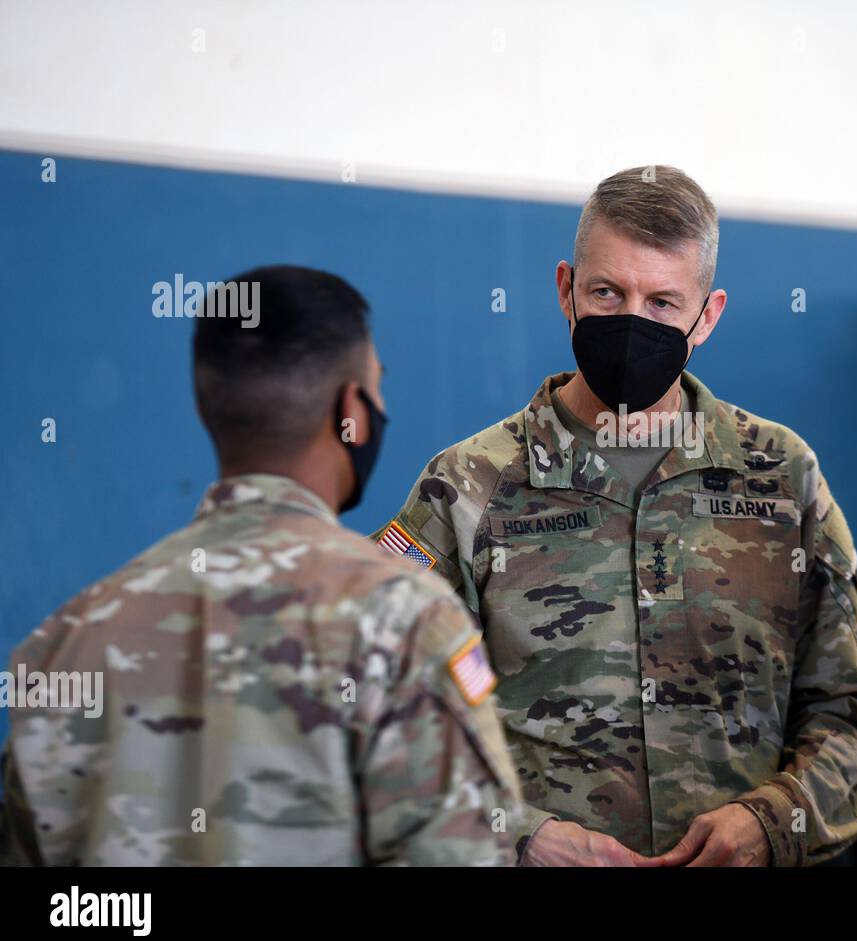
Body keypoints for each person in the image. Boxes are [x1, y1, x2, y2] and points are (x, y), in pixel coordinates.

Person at [374, 165, 857, 866]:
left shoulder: (781, 478)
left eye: (662, 304)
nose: (630, 324)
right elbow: (385, 715)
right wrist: (518, 836)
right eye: (607, 293)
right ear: (566, 290)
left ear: (707, 316)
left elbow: (848, 721)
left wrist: (771, 822)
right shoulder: (467, 485)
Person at [0, 265, 519, 866]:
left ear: (210, 406)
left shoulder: (65, 641)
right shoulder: (406, 623)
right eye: (377, 386)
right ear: (351, 408)